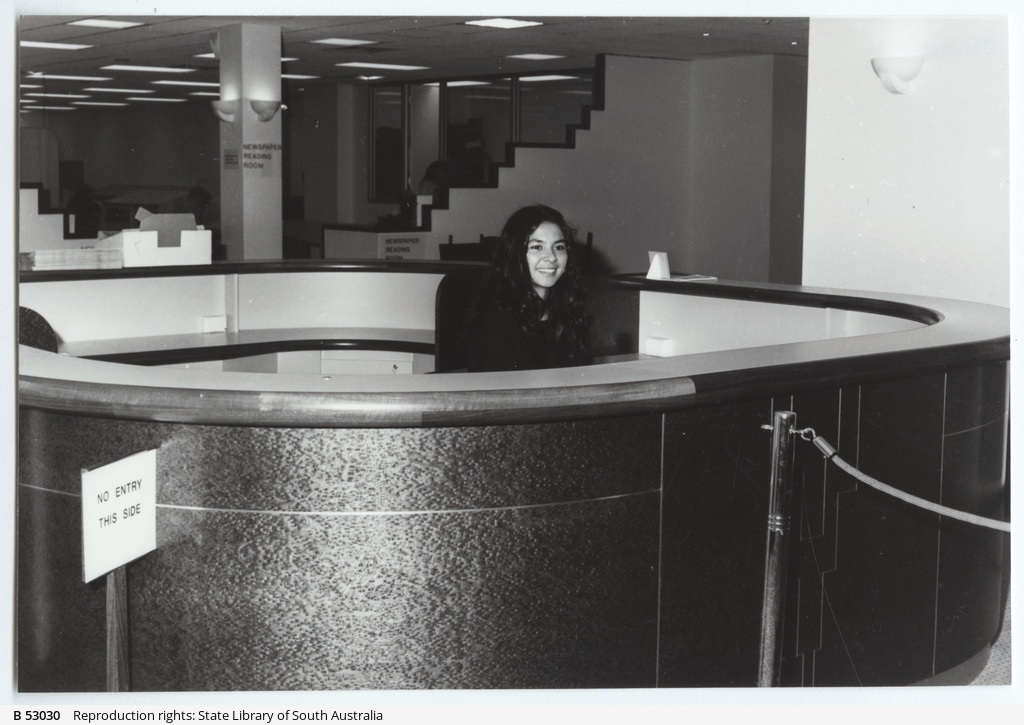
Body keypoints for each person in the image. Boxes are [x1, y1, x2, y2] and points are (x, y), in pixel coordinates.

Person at [466, 204, 592, 372]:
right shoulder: (495, 320)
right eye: (537, 247)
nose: (551, 257)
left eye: (559, 247)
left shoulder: (566, 310)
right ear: (514, 253)